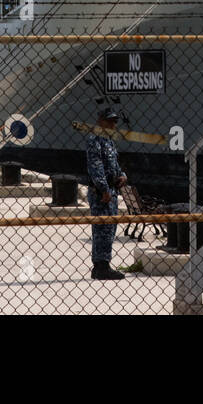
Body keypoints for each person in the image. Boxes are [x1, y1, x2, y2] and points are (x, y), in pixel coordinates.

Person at [86, 109, 128, 280]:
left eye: (115, 122)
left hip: (111, 190)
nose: (113, 125)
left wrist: (122, 175)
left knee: (109, 228)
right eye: (109, 121)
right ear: (100, 121)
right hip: (102, 193)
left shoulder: (108, 140)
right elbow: (96, 166)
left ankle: (102, 265)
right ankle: (101, 266)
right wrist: (103, 189)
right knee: (102, 228)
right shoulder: (95, 139)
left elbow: (113, 163)